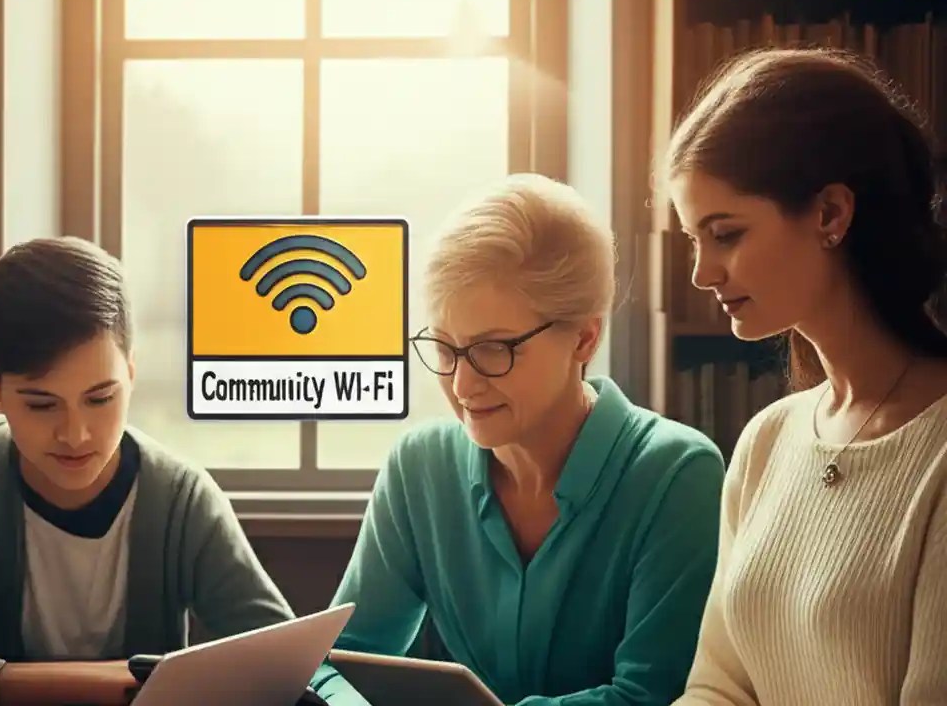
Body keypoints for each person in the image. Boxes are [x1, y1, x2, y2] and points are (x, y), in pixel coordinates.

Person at [310, 173, 727, 705]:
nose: (462, 385)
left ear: (584, 337)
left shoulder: (676, 474)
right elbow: (336, 664)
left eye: (493, 349)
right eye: (443, 347)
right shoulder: (419, 467)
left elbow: (650, 697)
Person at [0, 236, 296, 704]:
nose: (76, 434)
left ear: (132, 374)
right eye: (42, 405)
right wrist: (112, 682)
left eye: (101, 398)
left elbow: (277, 657)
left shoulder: (179, 498)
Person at [668, 47, 947, 705]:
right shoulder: (768, 440)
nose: (702, 274)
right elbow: (718, 686)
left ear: (830, 214)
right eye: (692, 240)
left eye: (726, 233)